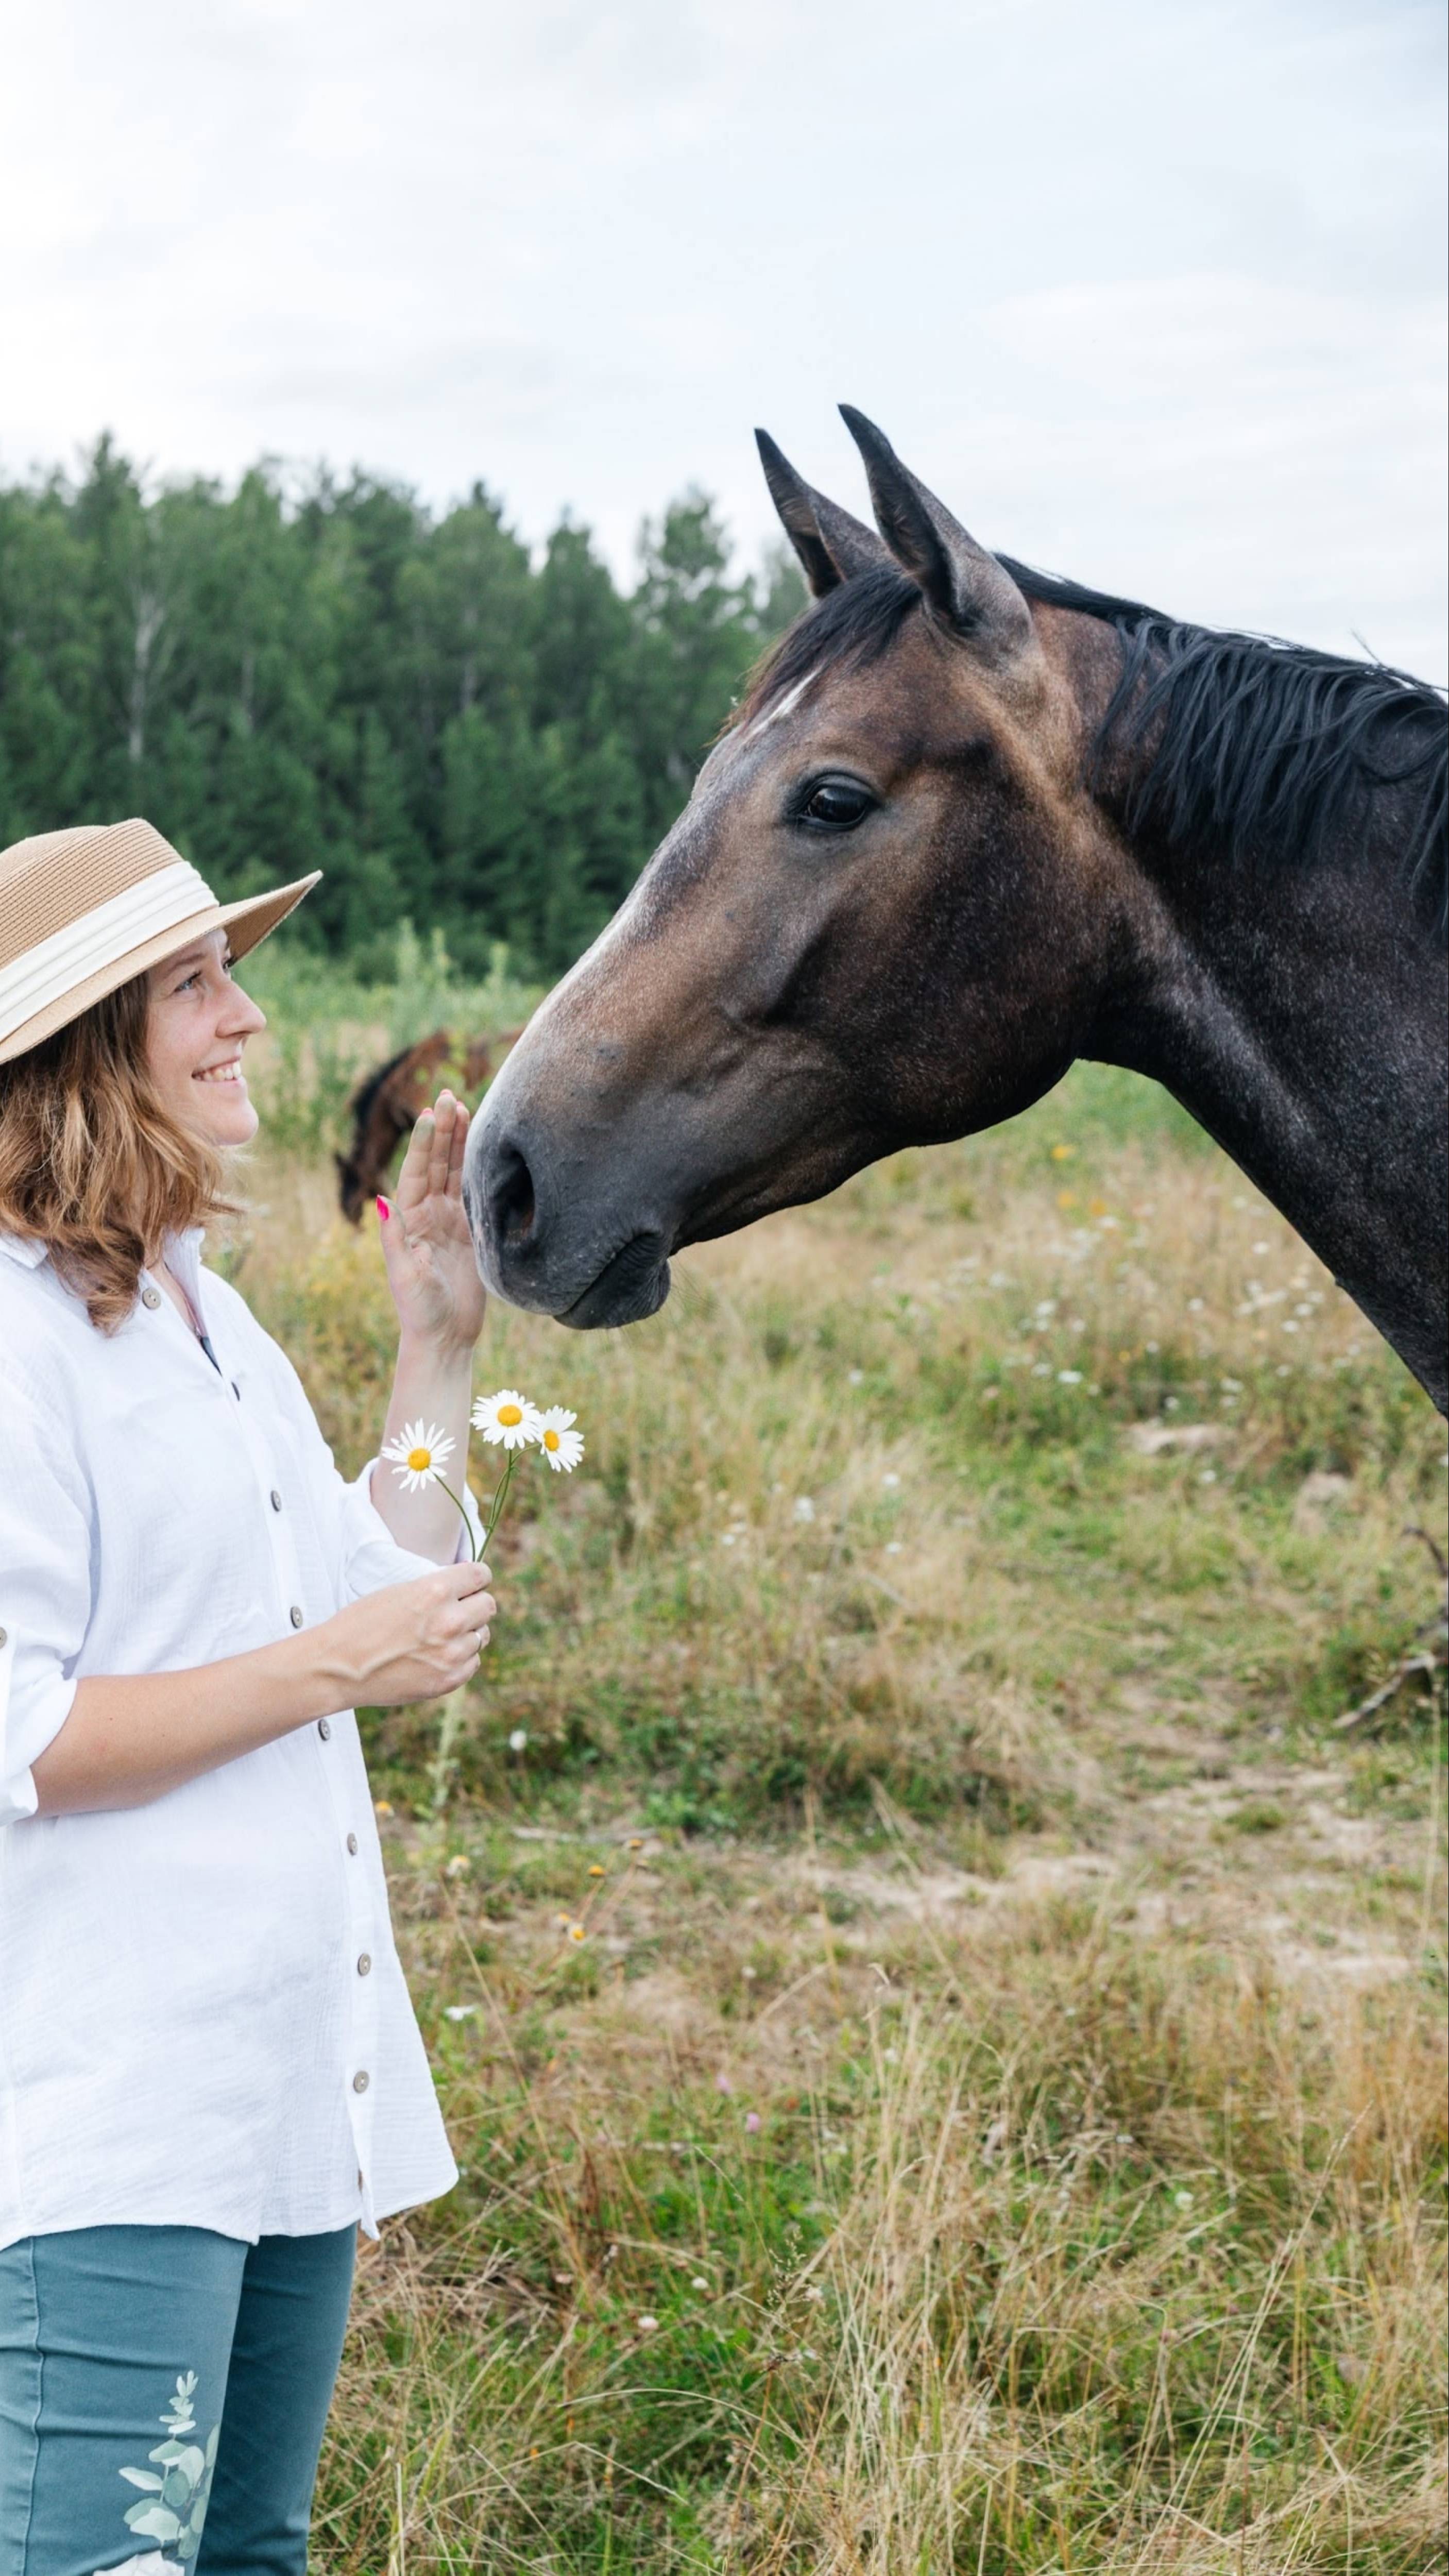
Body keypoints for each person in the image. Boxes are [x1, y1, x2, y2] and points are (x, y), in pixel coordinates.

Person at [0, 820, 495, 2573]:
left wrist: (435, 1351)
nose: (249, 1020)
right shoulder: (12, 1344)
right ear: (84, 1043)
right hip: (113, 2112)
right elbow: (27, 1738)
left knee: (249, 2554)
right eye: (196, 984)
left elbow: (362, 1596)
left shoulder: (207, 1318)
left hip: (288, 2080)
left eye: (235, 974)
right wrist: (331, 1671)